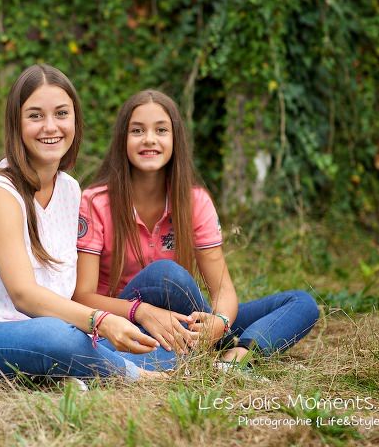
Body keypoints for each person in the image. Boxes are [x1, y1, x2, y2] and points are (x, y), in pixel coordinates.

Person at [0, 65, 175, 383]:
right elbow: (24, 295)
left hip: (56, 326)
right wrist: (101, 320)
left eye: (61, 113)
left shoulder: (69, 188)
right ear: (16, 124)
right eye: (35, 116)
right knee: (56, 336)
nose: (51, 126)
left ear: (75, 119)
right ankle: (132, 374)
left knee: (159, 294)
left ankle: (91, 366)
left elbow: (66, 292)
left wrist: (132, 314)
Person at [74, 89, 319, 371]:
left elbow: (223, 289)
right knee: (166, 274)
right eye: (137, 130)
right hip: (122, 318)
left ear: (176, 139)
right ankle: (199, 350)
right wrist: (142, 311)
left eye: (161, 130)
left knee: (302, 303)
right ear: (122, 140)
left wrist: (220, 322)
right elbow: (83, 296)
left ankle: (235, 355)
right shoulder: (95, 201)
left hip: (183, 317)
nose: (150, 139)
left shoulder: (194, 200)